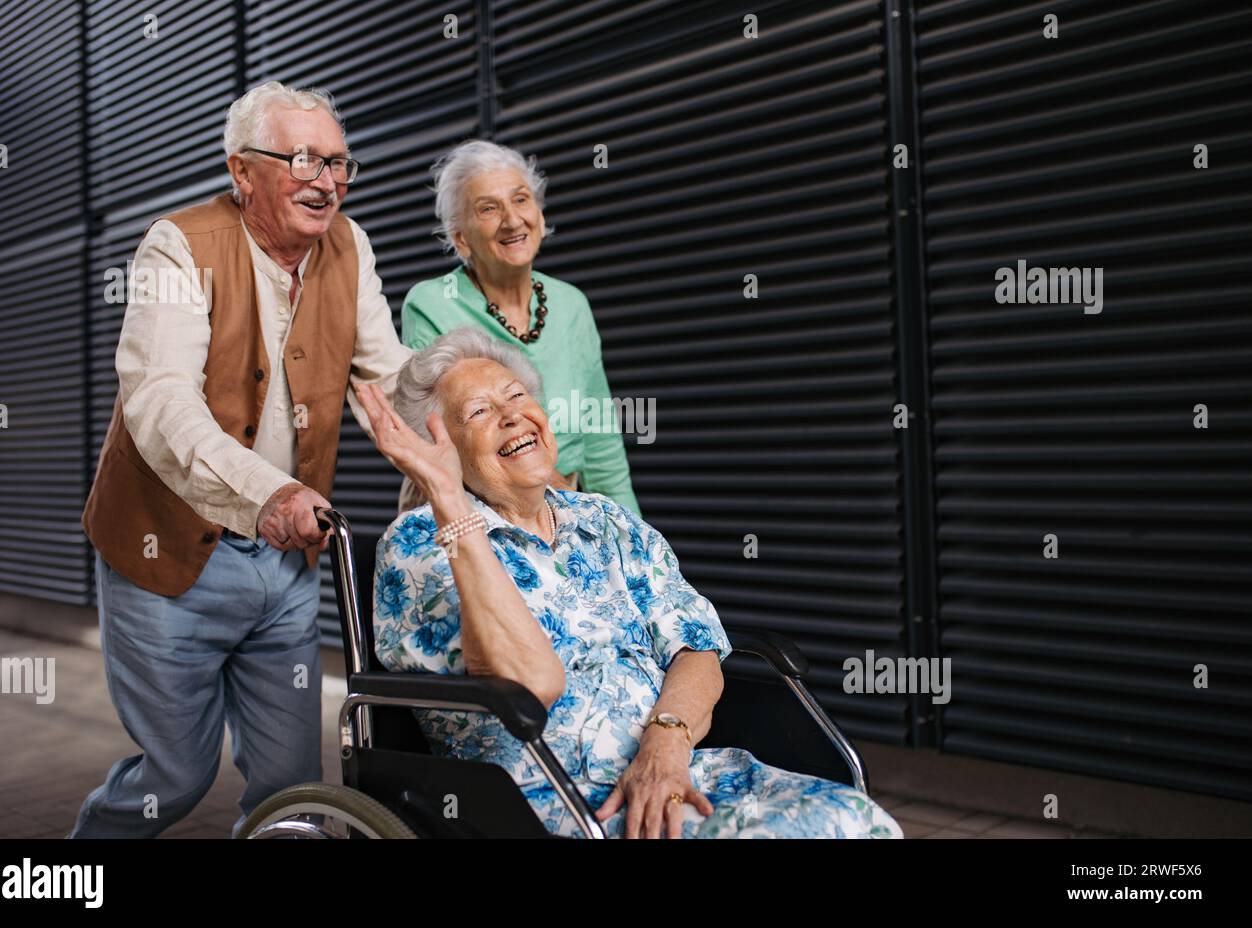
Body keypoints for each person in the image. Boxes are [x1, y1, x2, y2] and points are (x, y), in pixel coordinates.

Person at [356, 327, 903, 838]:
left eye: (517, 396)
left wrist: (666, 741)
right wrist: (449, 500)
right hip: (549, 798)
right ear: (440, 448)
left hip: (674, 770)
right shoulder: (423, 542)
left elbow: (695, 644)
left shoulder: (605, 521)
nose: (511, 417)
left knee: (854, 818)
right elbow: (531, 682)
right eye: (479, 411)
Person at [72, 81, 412, 837]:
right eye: (301, 160)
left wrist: (473, 449)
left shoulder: (348, 247)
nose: (326, 181)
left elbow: (389, 383)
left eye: (337, 162)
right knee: (175, 775)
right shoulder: (177, 246)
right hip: (166, 557)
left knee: (293, 789)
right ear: (241, 171)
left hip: (284, 564)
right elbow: (159, 400)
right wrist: (269, 492)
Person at [397, 139, 640, 516]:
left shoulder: (571, 304)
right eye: (488, 208)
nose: (512, 220)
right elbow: (441, 438)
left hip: (566, 510)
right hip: (468, 509)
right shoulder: (432, 302)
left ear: (540, 216)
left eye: (521, 199)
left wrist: (630, 533)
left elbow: (600, 436)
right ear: (461, 238)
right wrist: (562, 504)